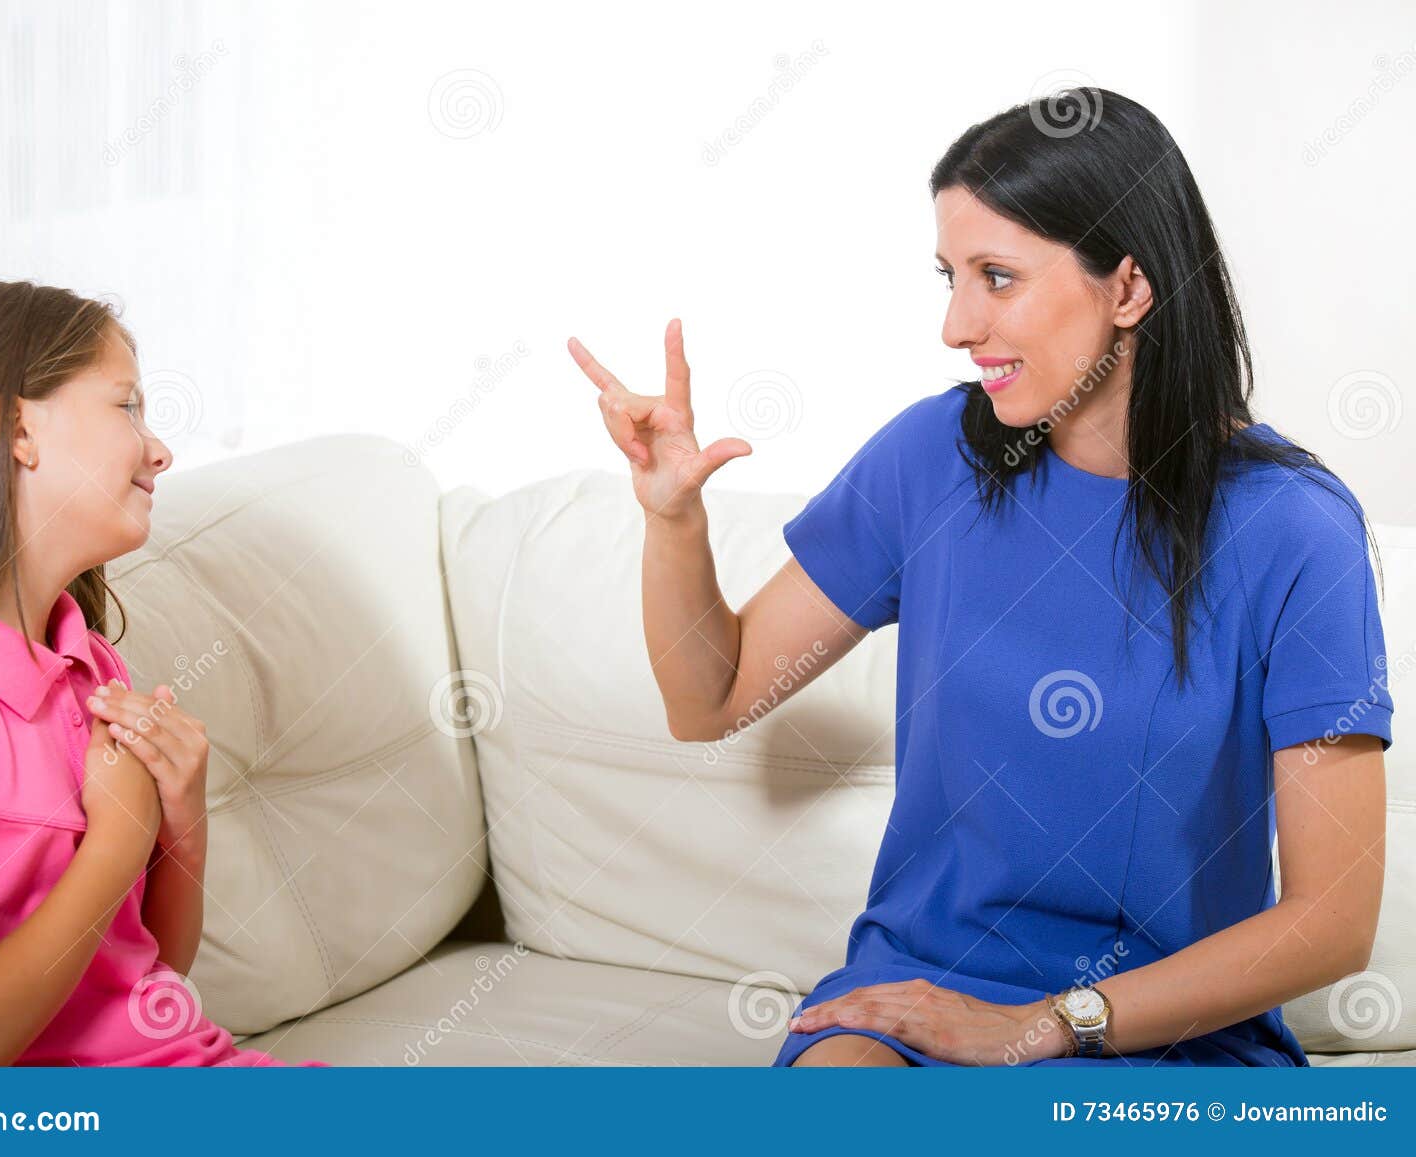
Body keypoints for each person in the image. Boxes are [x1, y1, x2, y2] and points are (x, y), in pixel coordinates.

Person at [566, 89, 1392, 1067]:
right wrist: (672, 519)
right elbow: (711, 698)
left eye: (996, 276)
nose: (956, 324)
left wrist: (1044, 1023)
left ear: (1128, 288)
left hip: (1167, 1029)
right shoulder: (929, 461)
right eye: (949, 275)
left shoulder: (1294, 529)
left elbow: (1331, 921)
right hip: (924, 997)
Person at [0, 281, 324, 1066]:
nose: (159, 449)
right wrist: (119, 838)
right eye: (127, 407)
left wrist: (180, 819)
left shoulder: (87, 664)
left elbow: (153, 976)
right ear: (19, 428)